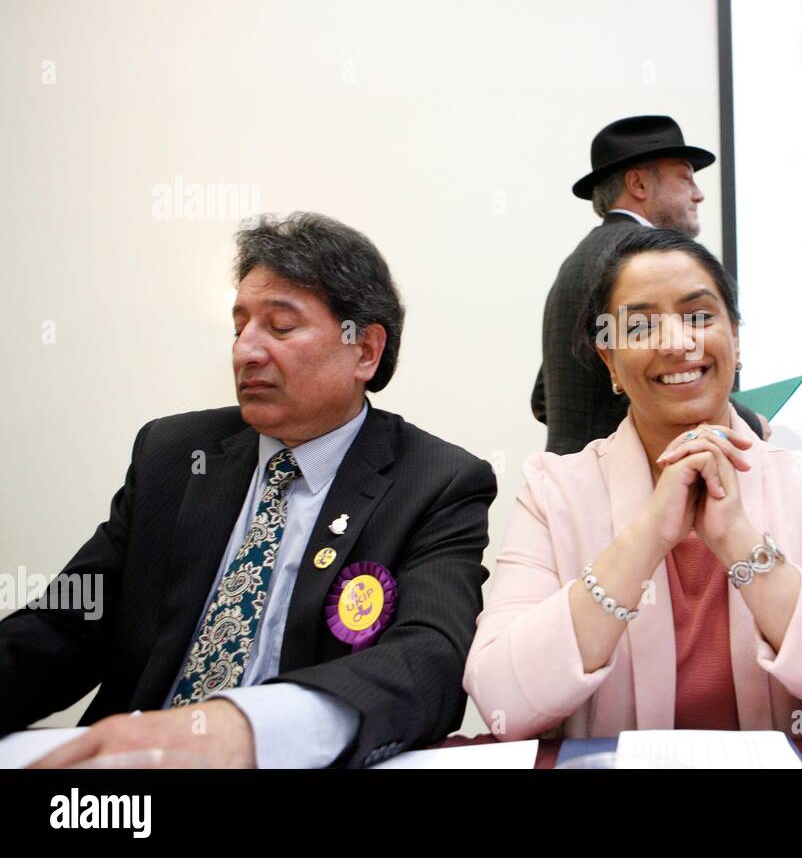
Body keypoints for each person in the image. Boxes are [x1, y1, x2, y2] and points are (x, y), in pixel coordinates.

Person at [0, 213, 496, 768]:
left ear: (365, 351)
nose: (245, 352)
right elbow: (66, 623)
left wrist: (249, 725)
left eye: (280, 328)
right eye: (240, 328)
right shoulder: (174, 453)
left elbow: (429, 661)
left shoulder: (436, 482)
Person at [468, 229, 802, 740]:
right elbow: (503, 702)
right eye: (640, 326)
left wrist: (739, 542)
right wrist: (647, 538)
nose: (677, 343)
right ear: (610, 361)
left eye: (700, 317)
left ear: (736, 339)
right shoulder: (555, 493)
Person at [531, 114, 767, 455]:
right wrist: (751, 422)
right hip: (630, 480)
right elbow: (666, 374)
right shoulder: (645, 261)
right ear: (638, 185)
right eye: (685, 178)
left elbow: (542, 396)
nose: (698, 194)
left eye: (698, 318)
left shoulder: (577, 261)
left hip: (575, 479)